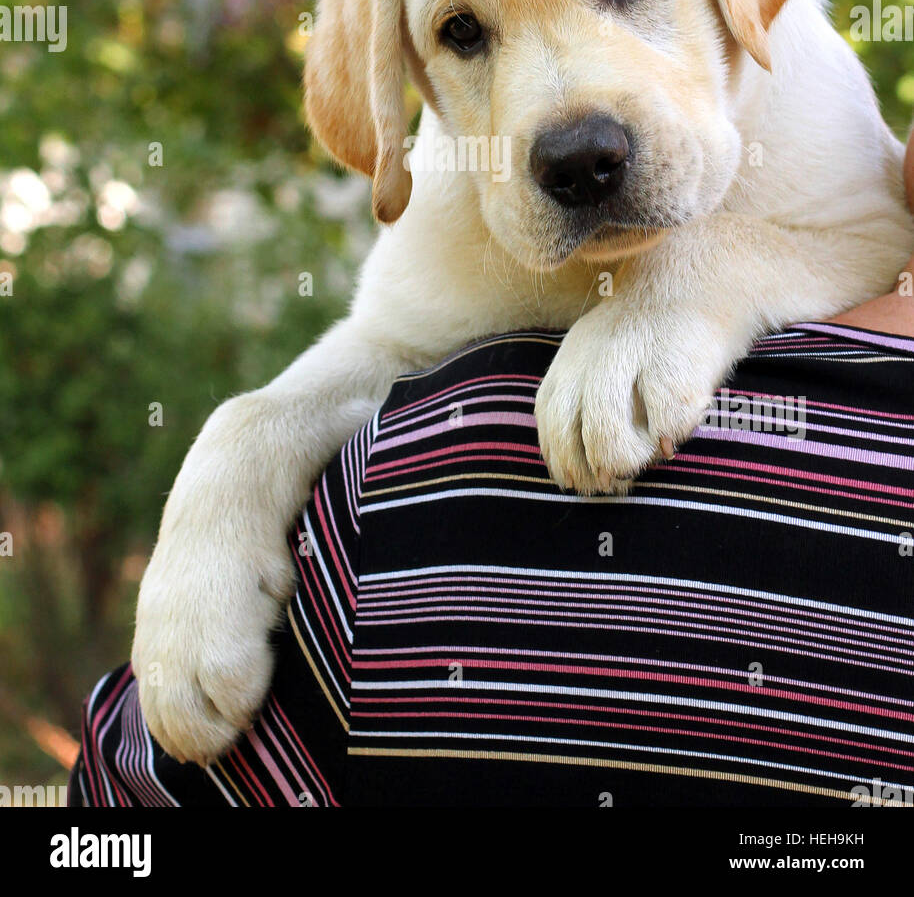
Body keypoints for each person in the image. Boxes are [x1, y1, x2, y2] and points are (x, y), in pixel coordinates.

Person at [69, 135, 914, 807]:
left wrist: (700, 283)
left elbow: (129, 799)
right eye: (466, 29)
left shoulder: (430, 474)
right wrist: (244, 450)